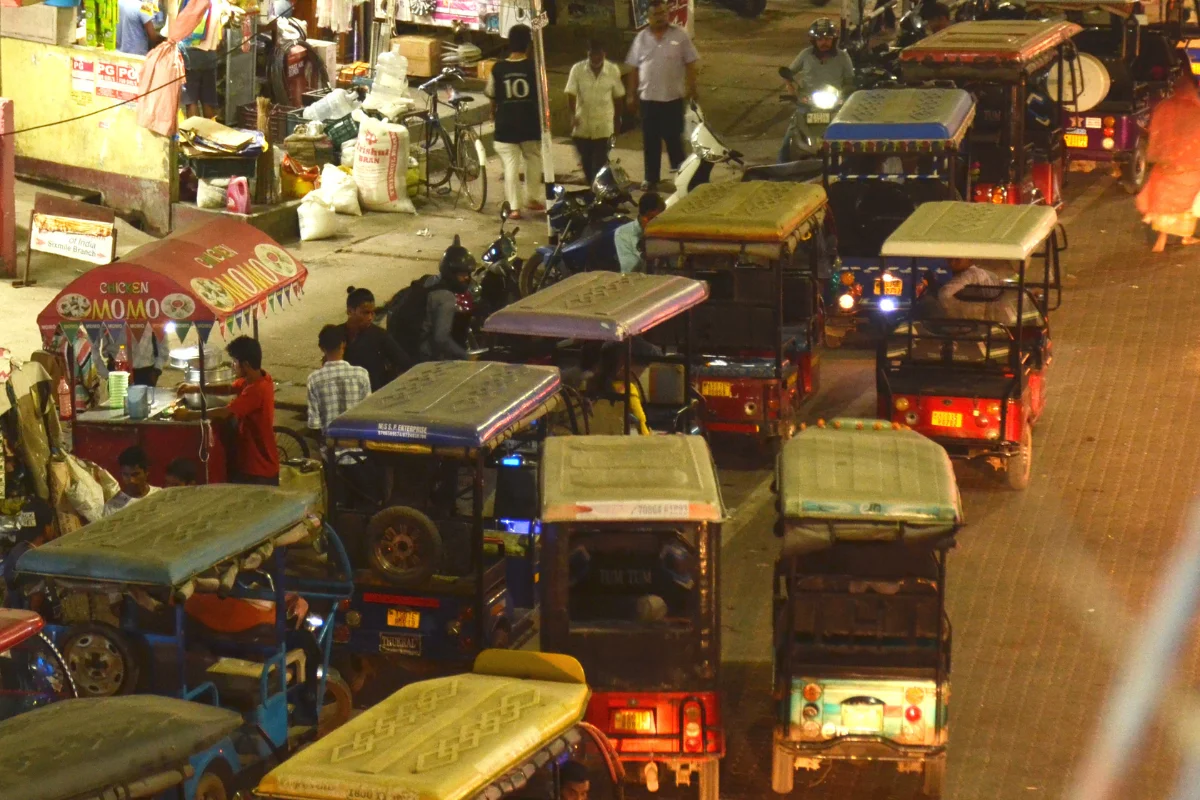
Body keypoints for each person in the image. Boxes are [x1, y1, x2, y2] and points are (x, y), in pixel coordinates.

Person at [175, 336, 280, 486]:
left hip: (258, 469)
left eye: (235, 362)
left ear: (245, 364)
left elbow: (226, 412)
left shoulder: (257, 390)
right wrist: (196, 388)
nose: (232, 366)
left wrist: (189, 415)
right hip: (254, 463)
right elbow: (228, 388)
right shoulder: (258, 378)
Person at [625, 0, 700, 191]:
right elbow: (633, 68)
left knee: (674, 138)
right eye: (656, 15)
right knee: (651, 140)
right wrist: (631, 95)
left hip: (673, 99)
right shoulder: (641, 39)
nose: (661, 17)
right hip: (648, 99)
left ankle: (683, 176)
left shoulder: (680, 36)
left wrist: (692, 87)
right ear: (648, 18)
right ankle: (651, 178)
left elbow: (691, 63)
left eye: (663, 13)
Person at [1137, 74, 1200, 252]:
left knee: (1164, 202)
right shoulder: (1196, 109)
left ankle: (1161, 239)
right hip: (1191, 165)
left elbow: (1154, 130)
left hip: (1166, 163)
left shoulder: (1165, 107)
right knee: (1187, 203)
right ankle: (1186, 236)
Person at [487, 24, 545, 220]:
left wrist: (493, 113)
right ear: (528, 45)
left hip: (506, 124)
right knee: (533, 158)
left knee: (510, 164)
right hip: (530, 123)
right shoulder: (534, 68)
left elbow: (492, 95)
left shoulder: (498, 68)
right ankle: (533, 198)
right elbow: (542, 96)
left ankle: (514, 208)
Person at [781, 18, 856, 162]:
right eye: (820, 39)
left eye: (827, 38)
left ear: (834, 40)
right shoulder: (805, 55)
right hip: (807, 103)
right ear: (813, 40)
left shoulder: (843, 57)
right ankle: (781, 168)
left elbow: (850, 81)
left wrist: (846, 93)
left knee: (851, 136)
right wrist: (791, 89)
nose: (824, 43)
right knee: (790, 136)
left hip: (835, 104)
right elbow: (788, 73)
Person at [566, 39, 626, 184]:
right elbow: (571, 93)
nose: (595, 58)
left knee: (598, 165)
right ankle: (597, 193)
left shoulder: (613, 70)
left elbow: (618, 97)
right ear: (588, 54)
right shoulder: (577, 69)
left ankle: (598, 195)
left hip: (604, 127)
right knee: (586, 165)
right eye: (592, 54)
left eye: (599, 54)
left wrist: (617, 121)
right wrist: (573, 115)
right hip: (582, 128)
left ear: (604, 54)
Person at [340, 287, 412, 391]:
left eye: (372, 313)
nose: (370, 317)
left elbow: (405, 363)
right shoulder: (338, 335)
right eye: (365, 313)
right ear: (350, 311)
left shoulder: (379, 335)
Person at [307, 324, 371, 435]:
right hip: (357, 445)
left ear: (322, 348)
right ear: (343, 344)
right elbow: (368, 413)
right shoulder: (361, 374)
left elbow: (314, 423)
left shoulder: (314, 379)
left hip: (330, 447)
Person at [419, 238, 475, 362]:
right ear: (451, 273)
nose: (466, 278)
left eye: (468, 274)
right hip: (424, 352)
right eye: (462, 275)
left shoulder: (430, 280)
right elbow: (441, 339)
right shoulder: (446, 297)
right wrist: (466, 356)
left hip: (412, 340)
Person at [614, 192, 666, 274]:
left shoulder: (664, 230)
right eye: (652, 219)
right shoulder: (623, 234)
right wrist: (646, 256)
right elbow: (629, 271)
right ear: (643, 216)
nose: (657, 223)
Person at [103, 446, 162, 516]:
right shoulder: (112, 507)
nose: (131, 480)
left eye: (135, 474)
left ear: (146, 473)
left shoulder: (160, 495)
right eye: (126, 475)